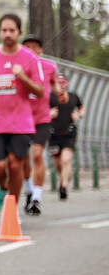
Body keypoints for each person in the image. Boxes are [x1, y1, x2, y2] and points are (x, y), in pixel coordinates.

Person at [0, 14, 47, 217]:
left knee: (15, 165)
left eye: (11, 30)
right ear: (0, 32)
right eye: (4, 30)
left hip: (20, 124)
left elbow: (40, 91)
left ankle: (11, 208)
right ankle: (3, 188)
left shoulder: (30, 58)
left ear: (19, 32)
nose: (7, 34)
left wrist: (22, 76)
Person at [20, 35, 57, 216]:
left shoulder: (49, 67)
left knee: (37, 154)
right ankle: (28, 190)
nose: (31, 51)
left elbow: (56, 88)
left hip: (42, 119)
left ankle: (37, 197)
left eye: (35, 47)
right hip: (23, 119)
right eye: (27, 47)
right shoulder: (17, 68)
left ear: (40, 50)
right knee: (24, 158)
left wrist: (62, 95)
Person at [48, 71, 84, 200]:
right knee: (58, 163)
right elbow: (40, 112)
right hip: (53, 135)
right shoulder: (50, 97)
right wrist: (49, 113)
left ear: (67, 84)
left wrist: (78, 115)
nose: (61, 85)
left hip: (69, 133)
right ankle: (66, 176)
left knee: (66, 160)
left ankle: (63, 187)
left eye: (63, 82)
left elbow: (81, 108)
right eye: (58, 82)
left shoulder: (74, 97)